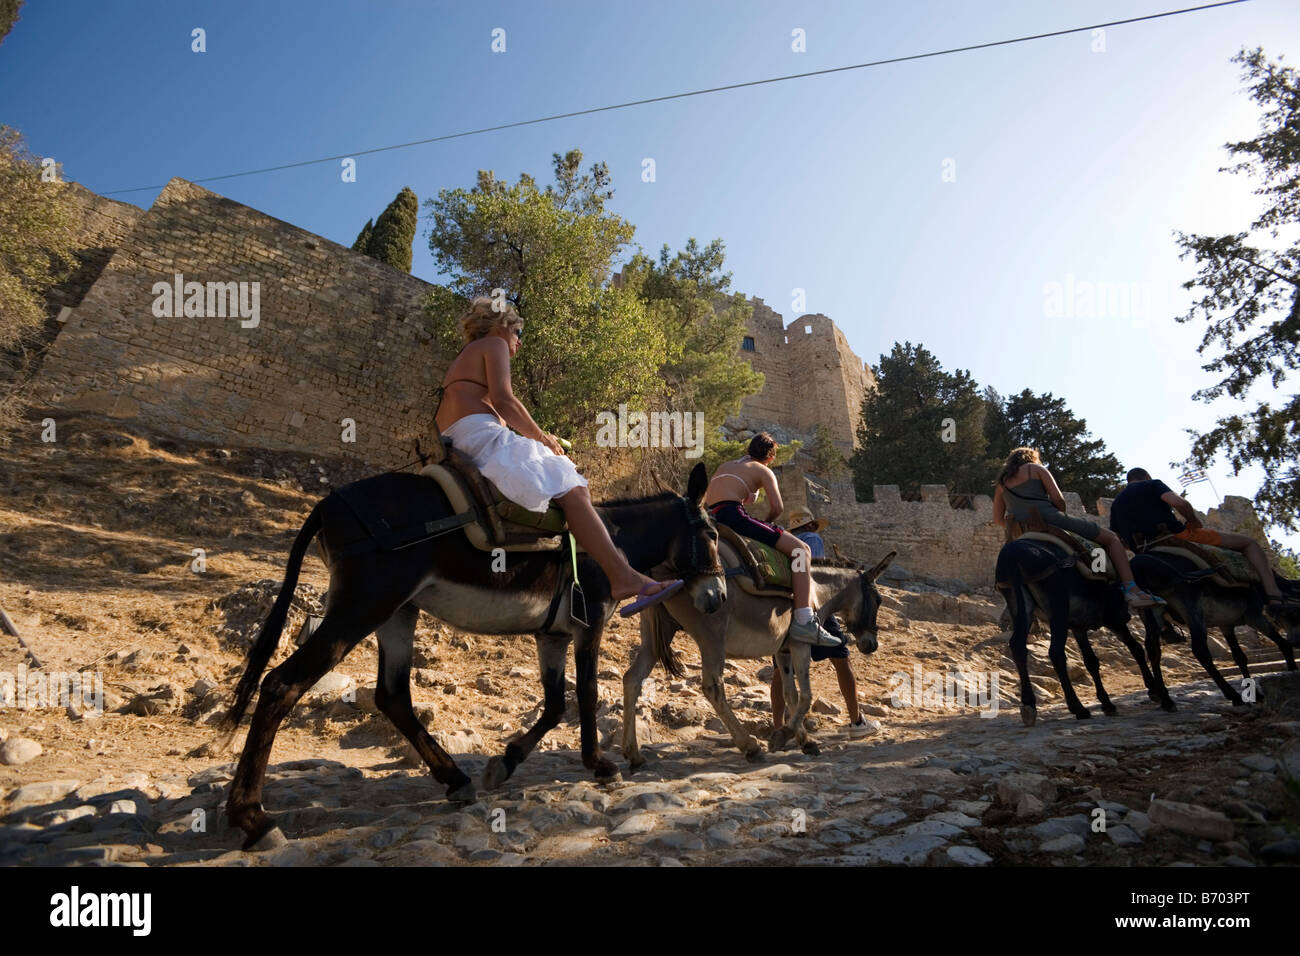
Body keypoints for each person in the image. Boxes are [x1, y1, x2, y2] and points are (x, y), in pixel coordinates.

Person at [436, 297, 680, 614]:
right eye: (518, 334)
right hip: (480, 436)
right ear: (502, 325)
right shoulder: (493, 343)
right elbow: (506, 401)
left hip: (459, 438)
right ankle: (621, 577)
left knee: (560, 481)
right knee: (572, 486)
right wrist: (543, 438)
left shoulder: (463, 359)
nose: (519, 344)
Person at [704, 433, 841, 646]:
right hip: (733, 515)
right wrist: (766, 525)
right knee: (801, 549)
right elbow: (777, 508)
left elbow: (721, 495)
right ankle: (805, 620)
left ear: (748, 450)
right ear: (770, 457)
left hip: (710, 516)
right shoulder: (764, 470)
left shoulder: (725, 466)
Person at [992, 447, 1164, 609]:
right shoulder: (1035, 469)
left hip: (1019, 531)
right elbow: (1059, 499)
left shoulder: (1002, 482)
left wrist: (1019, 525)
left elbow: (998, 519)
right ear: (1031, 458)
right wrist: (1059, 517)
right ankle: (1131, 589)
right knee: (1110, 538)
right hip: (1049, 520)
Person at [1110, 468, 1298, 613]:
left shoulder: (1117, 503)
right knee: (1249, 543)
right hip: (1175, 537)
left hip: (1144, 550)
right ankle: (1274, 594)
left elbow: (1120, 540)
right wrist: (1192, 520)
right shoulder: (1152, 485)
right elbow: (1180, 503)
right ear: (1147, 477)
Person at [768, 507, 874, 739]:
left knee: (781, 669)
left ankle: (777, 726)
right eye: (814, 526)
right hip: (814, 607)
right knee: (841, 660)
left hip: (785, 608)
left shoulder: (783, 543)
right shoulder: (811, 539)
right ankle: (856, 721)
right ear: (809, 526)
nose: (816, 530)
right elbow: (812, 570)